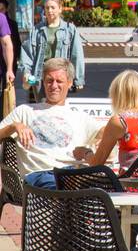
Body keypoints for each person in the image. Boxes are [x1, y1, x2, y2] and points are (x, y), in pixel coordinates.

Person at [0, 57, 91, 187]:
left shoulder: (79, 116)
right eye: (49, 81)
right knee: (64, 187)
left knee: (102, 184)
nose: (54, 86)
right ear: (43, 82)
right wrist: (14, 126)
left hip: (71, 174)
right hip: (39, 176)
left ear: (70, 83)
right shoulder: (25, 111)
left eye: (59, 81)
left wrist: (88, 153)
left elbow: (106, 134)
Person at [74, 68, 138, 170]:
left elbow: (97, 164)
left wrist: (84, 152)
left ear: (117, 94)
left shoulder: (120, 121)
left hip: (130, 184)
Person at [20, 0, 86, 98]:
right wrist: (27, 72)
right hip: (41, 77)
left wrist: (78, 79)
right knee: (41, 108)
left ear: (60, 9)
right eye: (47, 8)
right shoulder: (36, 30)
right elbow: (27, 53)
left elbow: (77, 55)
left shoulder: (70, 29)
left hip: (61, 76)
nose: (49, 11)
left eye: (53, 7)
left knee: (58, 108)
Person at [0, 0, 18, 88]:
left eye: (2, 9)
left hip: (3, 61)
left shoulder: (2, 19)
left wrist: (10, 69)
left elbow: (8, 44)